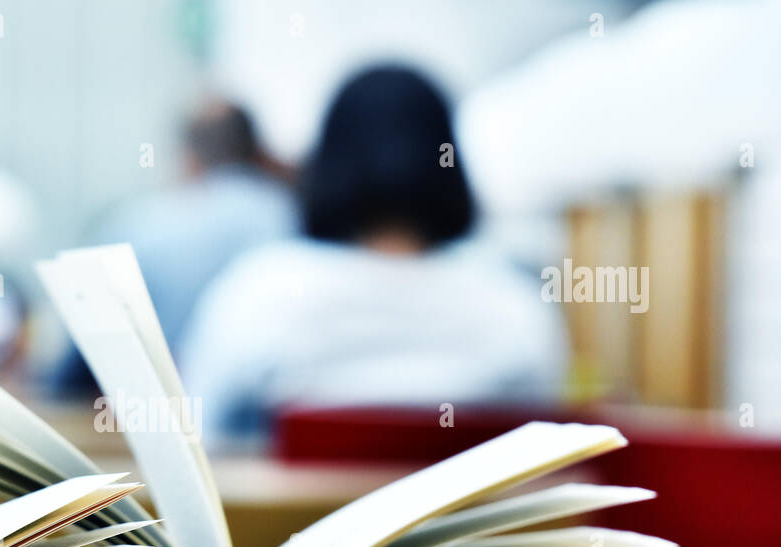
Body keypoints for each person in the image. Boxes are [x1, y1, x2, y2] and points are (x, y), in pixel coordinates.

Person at [179, 65, 568, 444]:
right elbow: (545, 438)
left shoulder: (259, 294)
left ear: (325, 163)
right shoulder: (513, 307)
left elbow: (201, 432)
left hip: (304, 513)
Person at [51, 99, 296, 392]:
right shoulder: (286, 216)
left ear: (189, 157)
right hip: (257, 423)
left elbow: (78, 357)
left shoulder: (133, 224)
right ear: (255, 151)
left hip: (149, 417)